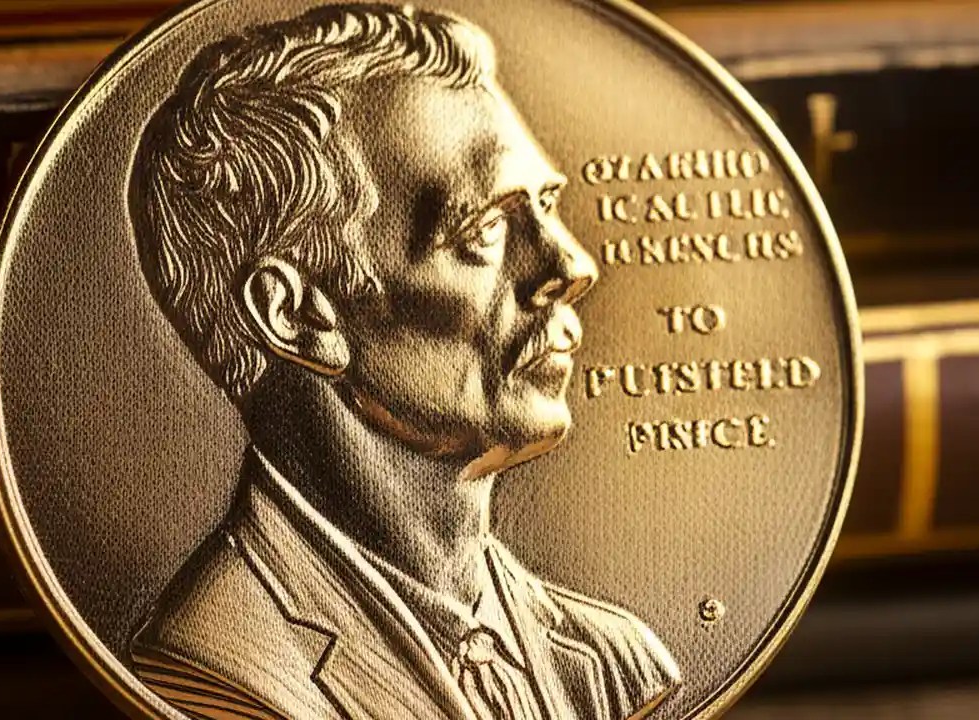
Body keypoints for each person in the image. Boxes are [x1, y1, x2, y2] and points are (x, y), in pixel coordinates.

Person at [127, 4, 680, 718]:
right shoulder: (216, 670)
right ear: (295, 315)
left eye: (545, 206)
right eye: (483, 227)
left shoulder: (617, 659)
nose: (570, 265)